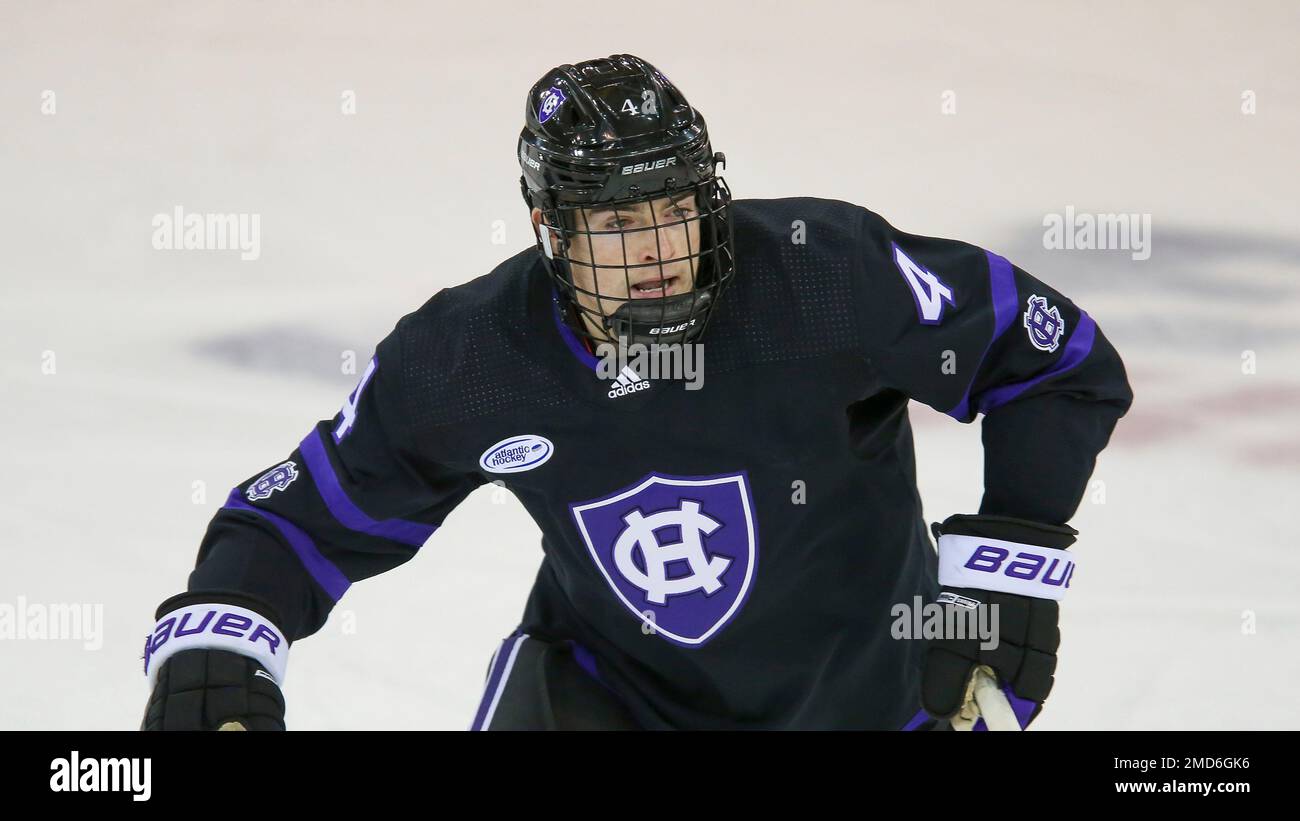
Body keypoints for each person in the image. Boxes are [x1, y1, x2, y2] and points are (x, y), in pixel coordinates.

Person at [140, 54, 1133, 731]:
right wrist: (227, 630)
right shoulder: (473, 358)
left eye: (671, 209)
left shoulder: (827, 278)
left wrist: (1008, 564)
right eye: (616, 224)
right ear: (549, 228)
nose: (657, 250)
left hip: (875, 699)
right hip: (606, 700)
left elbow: (1052, 360)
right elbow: (296, 520)